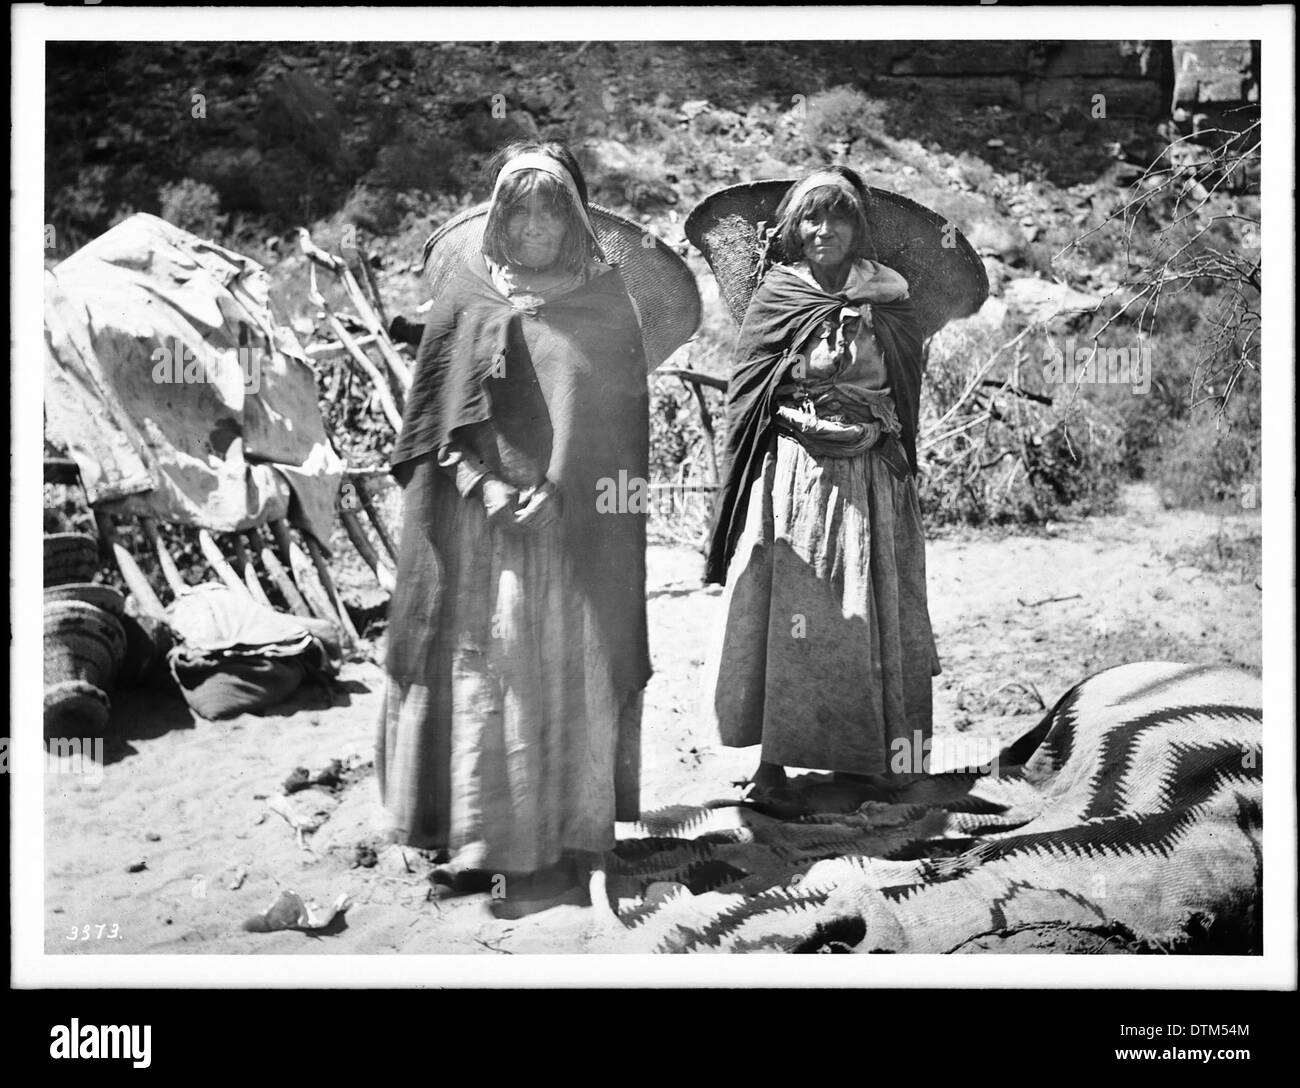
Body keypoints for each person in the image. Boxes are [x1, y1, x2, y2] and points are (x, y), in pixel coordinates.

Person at [377, 141, 650, 911]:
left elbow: (621, 434)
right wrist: (484, 486)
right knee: (491, 676)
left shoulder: (604, 305)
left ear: (573, 217)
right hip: (481, 529)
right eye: (519, 207)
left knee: (568, 673)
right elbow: (432, 429)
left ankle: (575, 840)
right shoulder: (467, 298)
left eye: (551, 207)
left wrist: (567, 492)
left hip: (574, 541)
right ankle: (485, 845)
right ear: (498, 216)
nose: (534, 224)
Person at [703, 165, 940, 794]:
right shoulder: (779, 295)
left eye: (837, 217)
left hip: (869, 479)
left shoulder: (891, 294)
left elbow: (906, 384)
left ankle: (874, 758)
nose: (822, 229)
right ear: (791, 227)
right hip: (798, 478)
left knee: (869, 610)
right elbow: (749, 391)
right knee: (795, 610)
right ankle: (773, 765)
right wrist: (800, 398)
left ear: (858, 228)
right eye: (811, 216)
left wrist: (870, 412)